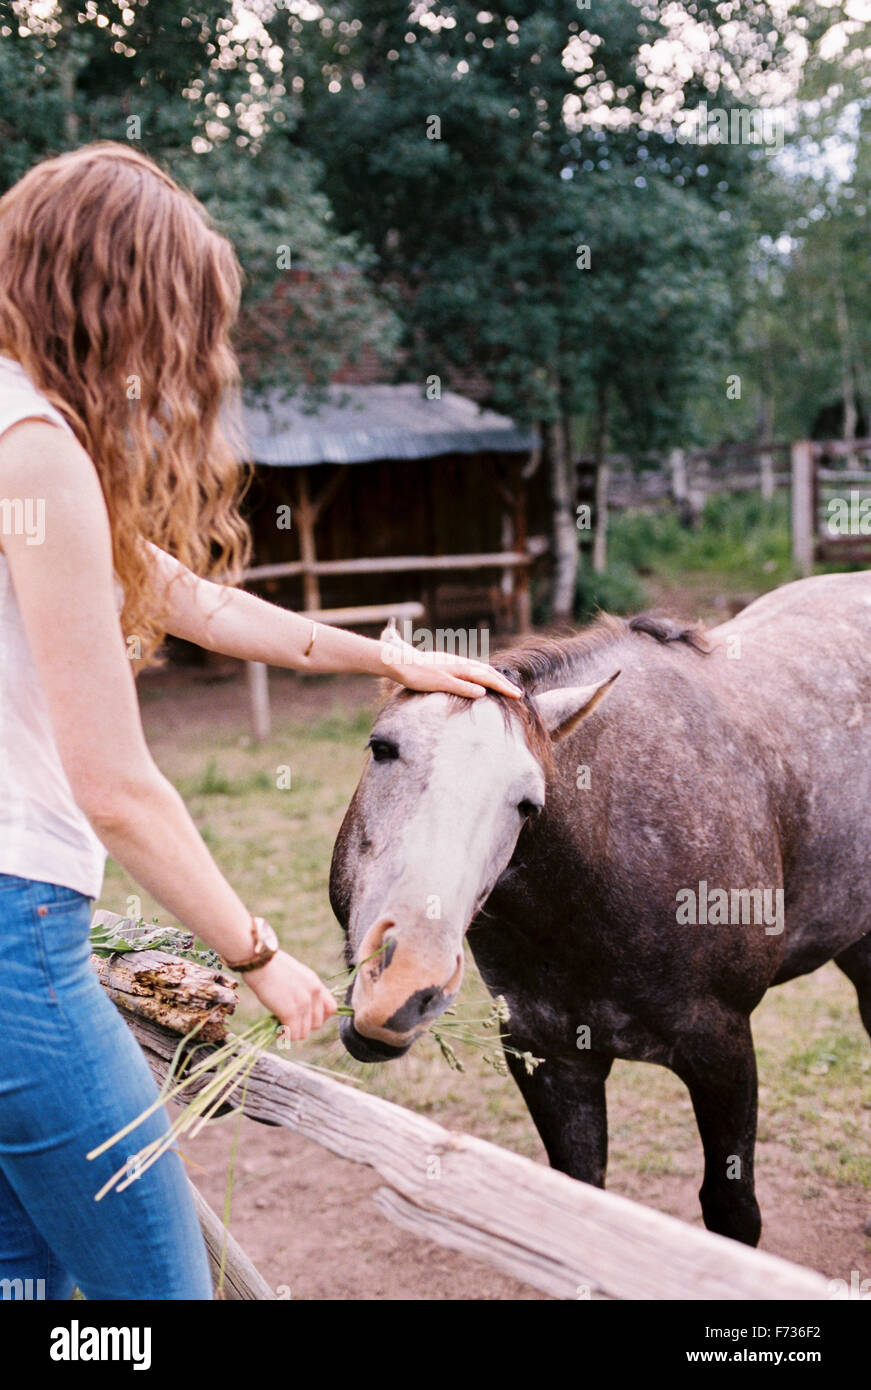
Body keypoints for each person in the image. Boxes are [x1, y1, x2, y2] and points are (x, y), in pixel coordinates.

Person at [0, 143, 522, 1300]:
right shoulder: (33, 455)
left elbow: (190, 599)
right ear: (117, 302)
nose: (183, 359)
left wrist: (377, 655)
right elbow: (116, 784)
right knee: (159, 1292)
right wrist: (262, 954)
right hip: (16, 939)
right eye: (178, 320)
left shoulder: (9, 425)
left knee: (24, 1278)